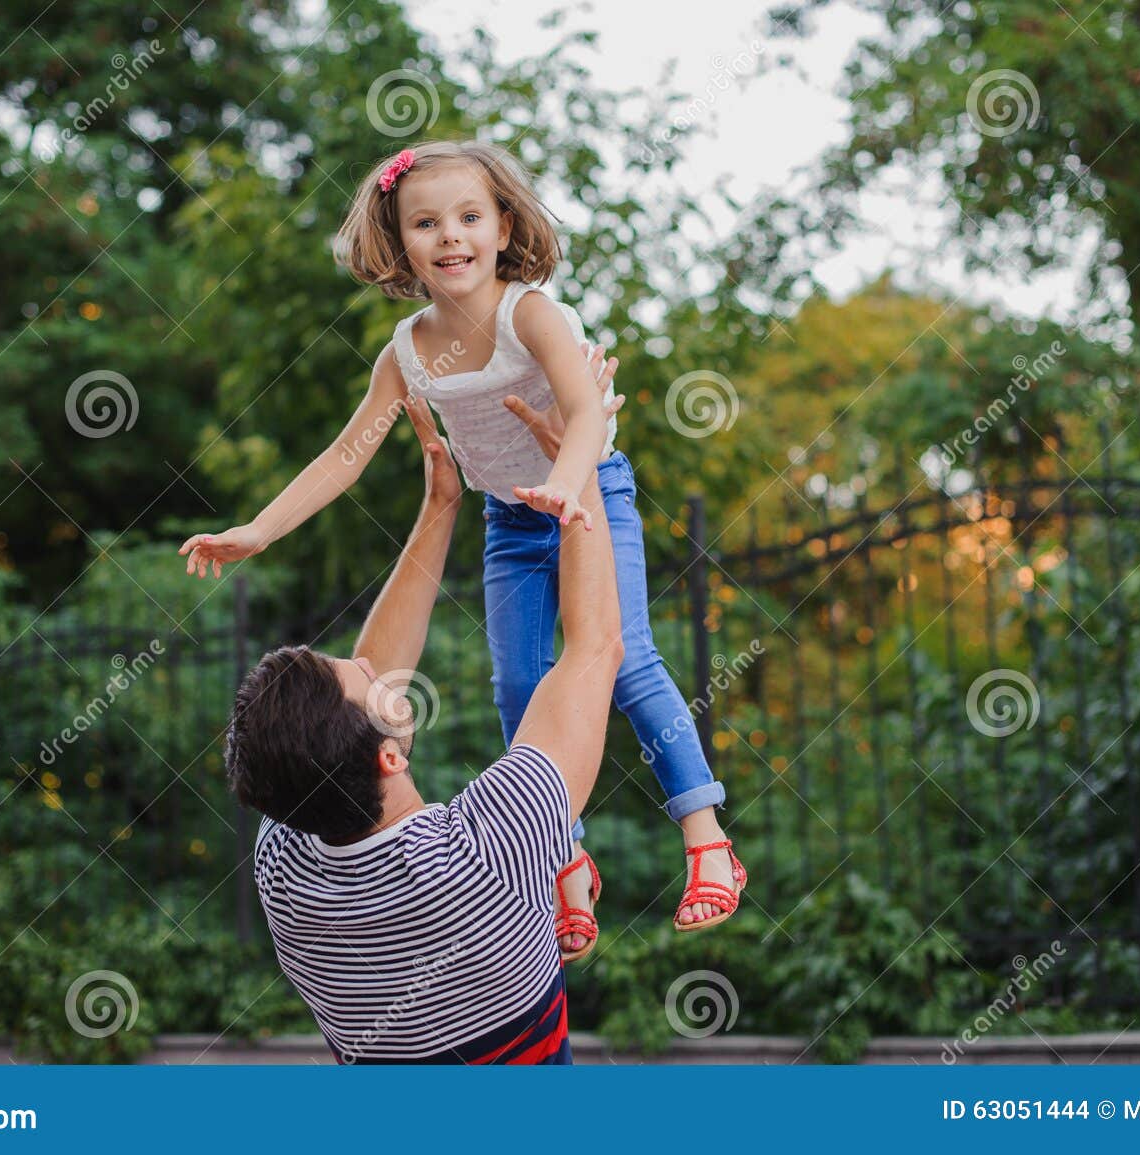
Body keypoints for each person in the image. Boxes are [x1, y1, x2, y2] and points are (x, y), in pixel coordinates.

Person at [181, 140, 745, 960]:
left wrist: (567, 480)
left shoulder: (531, 314)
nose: (451, 237)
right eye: (427, 222)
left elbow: (587, 411)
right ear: (398, 239)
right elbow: (348, 453)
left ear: (503, 225)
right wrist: (257, 529)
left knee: (625, 660)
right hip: (509, 521)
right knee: (519, 681)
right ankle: (564, 858)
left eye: (469, 218)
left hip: (591, 490)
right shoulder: (407, 351)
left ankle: (705, 836)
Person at [219, 356, 621, 1063]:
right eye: (367, 678)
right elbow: (594, 650)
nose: (375, 663)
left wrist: (440, 508)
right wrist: (577, 462)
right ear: (389, 755)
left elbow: (343, 727)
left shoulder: (286, 862)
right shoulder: (490, 847)